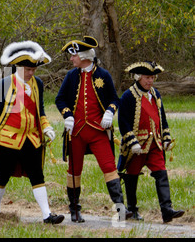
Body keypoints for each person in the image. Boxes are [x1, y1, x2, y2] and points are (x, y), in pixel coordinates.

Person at [0, 40, 64, 225]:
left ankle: (47, 215)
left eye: (34, 70)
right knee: (3, 174)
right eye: (28, 70)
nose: (31, 73)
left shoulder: (37, 83)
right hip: (8, 138)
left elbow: (40, 110)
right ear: (19, 67)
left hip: (32, 138)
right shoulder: (5, 83)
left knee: (37, 175)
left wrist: (46, 127)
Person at [55, 36, 130, 222]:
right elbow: (60, 99)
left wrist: (110, 112)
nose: (71, 60)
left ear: (83, 56)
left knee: (109, 166)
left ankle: (120, 208)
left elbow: (114, 99)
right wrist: (67, 115)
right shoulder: (71, 76)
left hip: (98, 131)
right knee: (74, 170)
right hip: (77, 132)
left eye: (73, 56)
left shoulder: (103, 75)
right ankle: (74, 210)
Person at [117, 61, 185, 223]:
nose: (150, 81)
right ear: (138, 77)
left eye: (152, 78)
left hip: (155, 143)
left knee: (162, 173)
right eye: (147, 77)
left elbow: (162, 118)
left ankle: (167, 210)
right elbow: (123, 122)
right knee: (131, 177)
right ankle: (132, 209)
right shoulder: (128, 96)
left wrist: (166, 137)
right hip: (136, 146)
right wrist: (132, 142)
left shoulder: (156, 94)